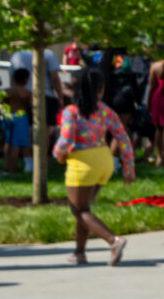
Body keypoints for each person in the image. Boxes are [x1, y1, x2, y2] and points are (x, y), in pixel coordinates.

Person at [52, 66, 135, 265]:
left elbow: (65, 140)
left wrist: (57, 155)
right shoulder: (106, 110)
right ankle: (79, 252)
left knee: (79, 210)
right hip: (104, 160)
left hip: (83, 164)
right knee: (85, 209)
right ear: (99, 89)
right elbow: (123, 138)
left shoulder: (71, 112)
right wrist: (129, 167)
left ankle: (113, 241)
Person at [2, 68, 35, 175]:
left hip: (7, 116)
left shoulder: (7, 91)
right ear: (26, 79)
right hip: (20, 116)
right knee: (16, 144)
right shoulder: (27, 92)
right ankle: (12, 169)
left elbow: (1, 106)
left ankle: (6, 167)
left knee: (7, 143)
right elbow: (33, 107)